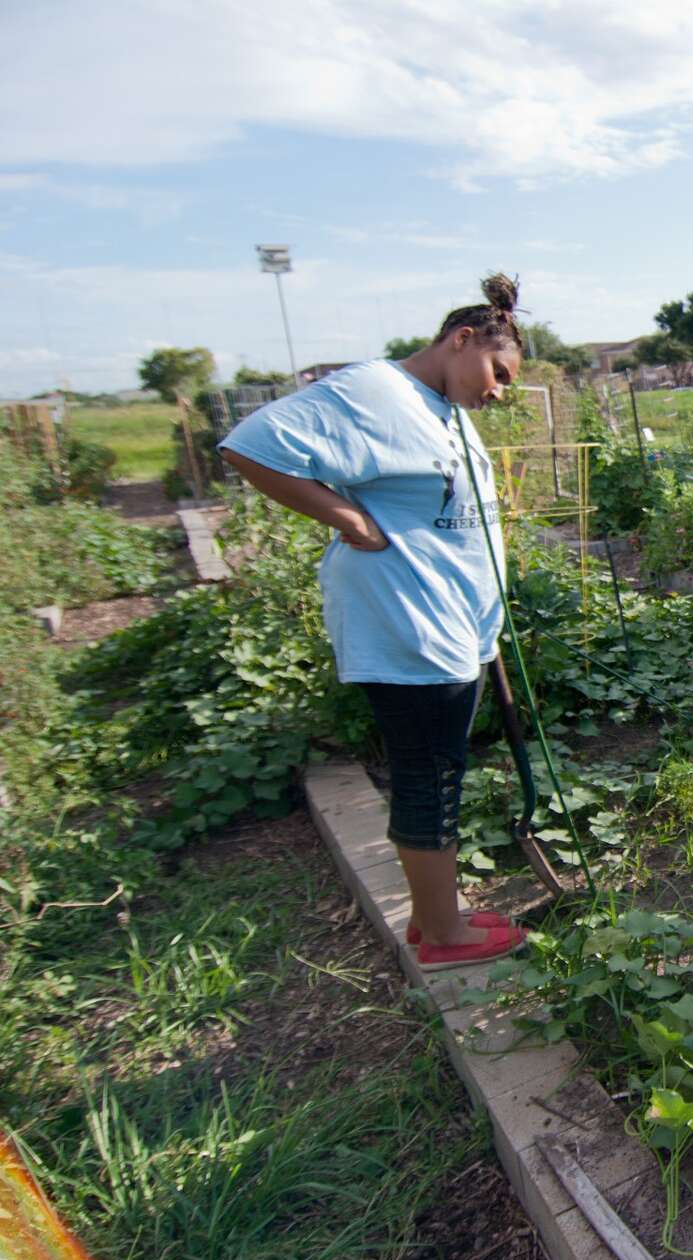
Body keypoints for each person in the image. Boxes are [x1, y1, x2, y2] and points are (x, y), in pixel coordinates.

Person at [220, 273, 529, 972]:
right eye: (499, 374)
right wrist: (349, 519)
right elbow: (250, 445)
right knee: (430, 776)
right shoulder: (374, 391)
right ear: (461, 340)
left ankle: (434, 917)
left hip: (446, 623)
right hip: (409, 622)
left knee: (436, 768)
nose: (500, 393)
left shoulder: (437, 405)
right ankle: (445, 937)